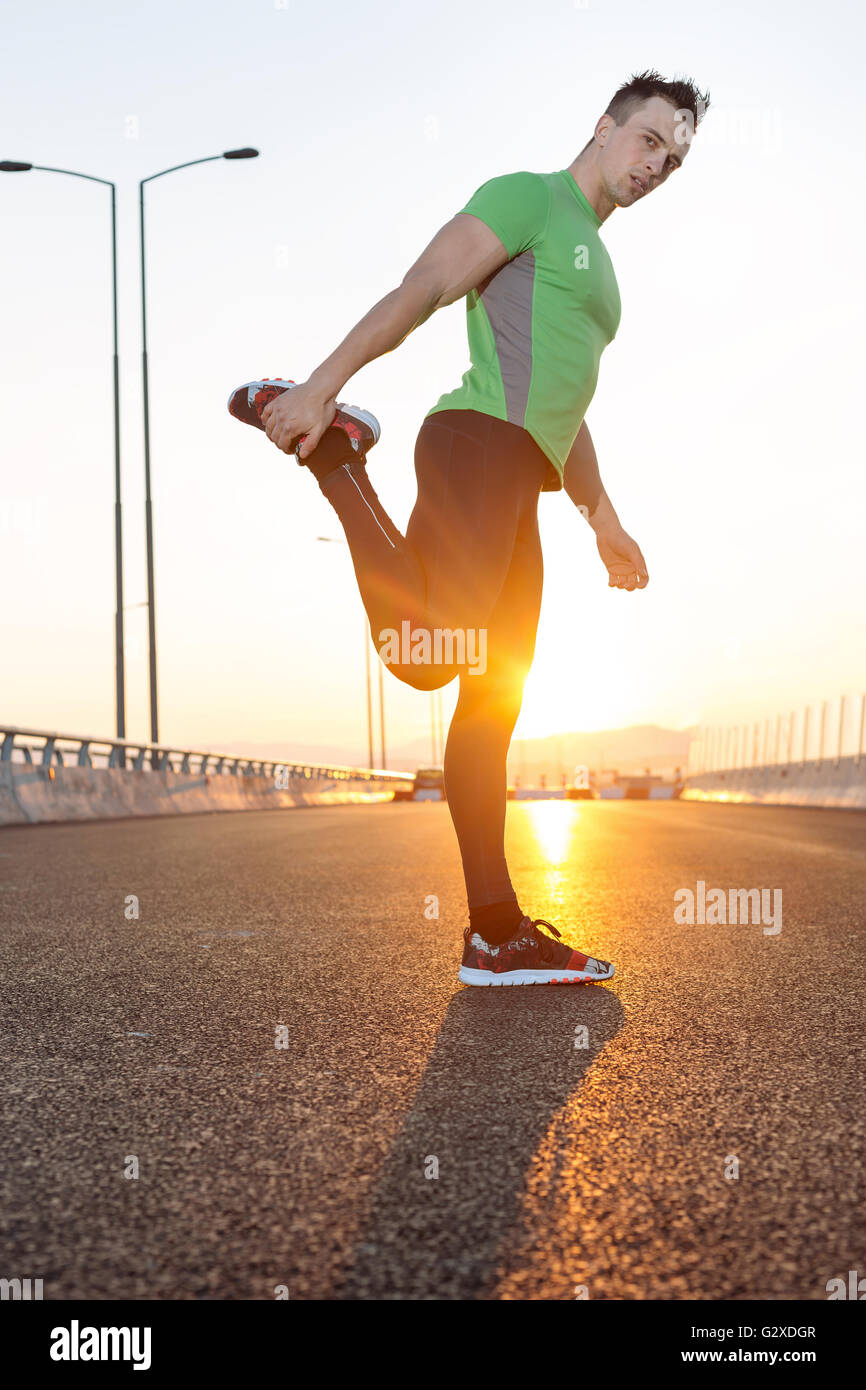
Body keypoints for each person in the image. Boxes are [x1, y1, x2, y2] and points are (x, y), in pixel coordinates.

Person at [229, 69, 709, 987]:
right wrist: (319, 385)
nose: (659, 164)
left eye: (675, 158)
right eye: (649, 140)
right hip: (473, 448)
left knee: (493, 708)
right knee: (422, 653)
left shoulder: (599, 265)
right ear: (605, 127)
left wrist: (604, 522)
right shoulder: (528, 199)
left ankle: (494, 933)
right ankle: (338, 459)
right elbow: (424, 286)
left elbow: (566, 411)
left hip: (519, 478)